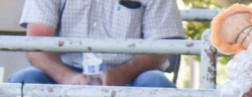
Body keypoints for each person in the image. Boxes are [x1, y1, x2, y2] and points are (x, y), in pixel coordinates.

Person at [12, 0, 183, 89]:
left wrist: (120, 74)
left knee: (155, 83)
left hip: (132, 77)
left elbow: (161, 49)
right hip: (62, 74)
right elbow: (36, 45)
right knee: (25, 80)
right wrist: (68, 78)